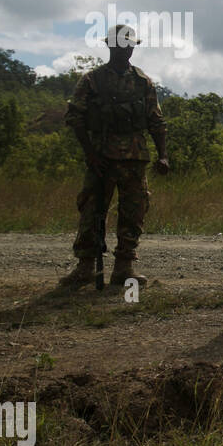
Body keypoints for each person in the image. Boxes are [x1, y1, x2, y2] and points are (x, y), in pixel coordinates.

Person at [60, 24, 169, 287]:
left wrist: (163, 155)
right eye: (120, 44)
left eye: (129, 44)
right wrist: (90, 154)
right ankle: (86, 267)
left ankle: (124, 266)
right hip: (102, 159)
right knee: (91, 211)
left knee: (134, 211)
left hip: (134, 158)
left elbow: (156, 121)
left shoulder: (143, 82)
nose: (125, 49)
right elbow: (75, 117)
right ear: (110, 46)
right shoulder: (93, 80)